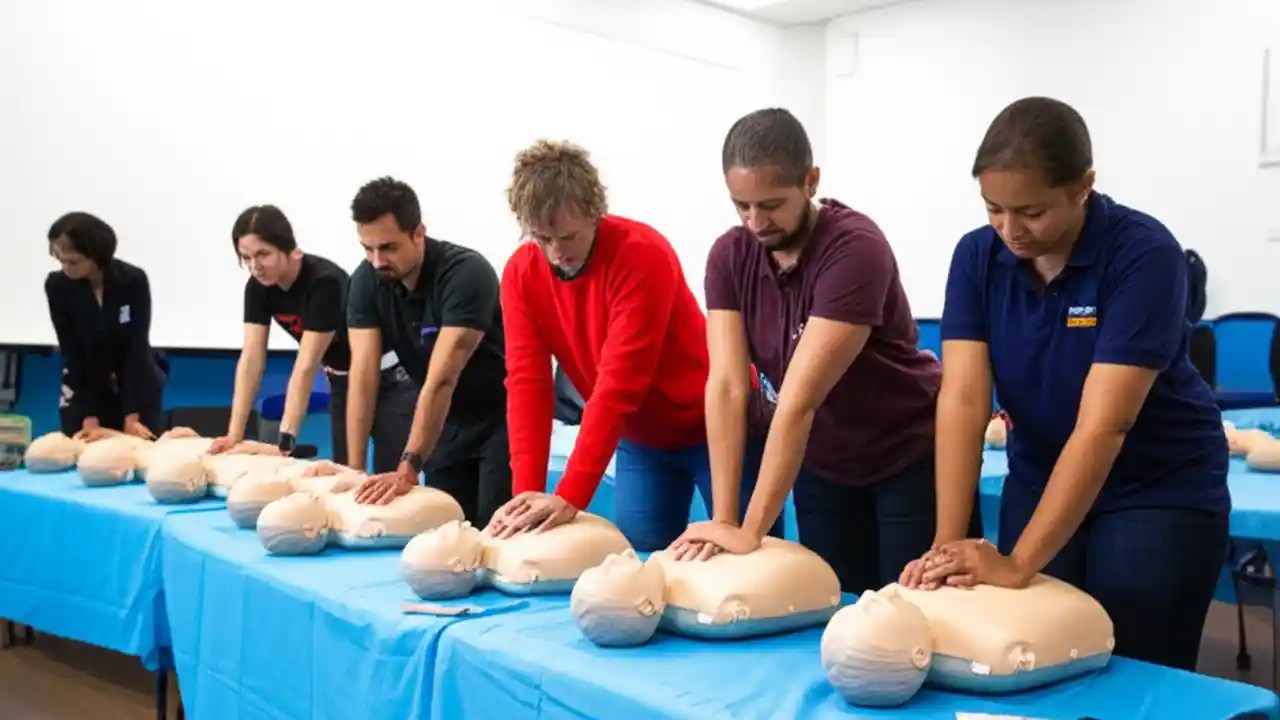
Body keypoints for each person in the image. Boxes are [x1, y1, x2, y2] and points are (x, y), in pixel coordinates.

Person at [899, 96, 1230, 672]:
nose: (1010, 231)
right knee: (1031, 655)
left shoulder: (1144, 253)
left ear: (1083, 186)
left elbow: (1106, 423)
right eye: (993, 209)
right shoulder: (977, 257)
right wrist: (946, 545)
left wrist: (1020, 560)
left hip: (1155, 485)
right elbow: (963, 400)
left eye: (1031, 212)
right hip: (1040, 472)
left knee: (1134, 664)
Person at [671, 109, 962, 595]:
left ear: (811, 182)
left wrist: (751, 532)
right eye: (741, 205)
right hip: (824, 462)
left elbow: (800, 398)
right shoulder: (729, 255)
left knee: (913, 608)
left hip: (906, 453)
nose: (755, 221)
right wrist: (725, 518)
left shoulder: (854, 248)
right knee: (839, 602)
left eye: (771, 204)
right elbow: (725, 386)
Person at [485, 139, 784, 550]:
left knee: (749, 561)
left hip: (719, 422)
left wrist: (570, 495)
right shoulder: (521, 273)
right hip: (644, 439)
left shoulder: (642, 254)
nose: (556, 253)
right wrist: (527, 497)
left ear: (594, 211)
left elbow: (618, 385)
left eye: (567, 236)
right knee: (640, 566)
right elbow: (527, 383)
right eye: (542, 238)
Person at [344, 176, 512, 526]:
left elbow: (443, 378)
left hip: (501, 419)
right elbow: (362, 376)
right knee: (450, 531)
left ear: (418, 233)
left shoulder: (466, 274)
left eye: (388, 247)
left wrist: (408, 466)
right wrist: (355, 470)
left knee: (495, 532)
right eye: (367, 248)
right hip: (445, 423)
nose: (377, 261)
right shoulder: (366, 280)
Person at [208, 205, 352, 461]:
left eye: (263, 254)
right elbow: (252, 359)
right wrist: (234, 436)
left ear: (288, 249)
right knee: (348, 464)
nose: (255, 266)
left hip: (386, 377)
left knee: (382, 466)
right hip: (341, 377)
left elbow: (306, 365)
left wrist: (285, 441)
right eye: (246, 257)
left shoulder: (324, 283)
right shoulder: (258, 287)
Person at [44, 212, 167, 440]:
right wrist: (90, 414)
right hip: (84, 382)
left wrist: (132, 415)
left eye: (74, 261)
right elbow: (72, 351)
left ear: (96, 256)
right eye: (61, 261)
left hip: (135, 381)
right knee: (86, 451)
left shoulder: (133, 280)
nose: (66, 268)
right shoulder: (57, 286)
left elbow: (137, 345)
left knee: (136, 447)